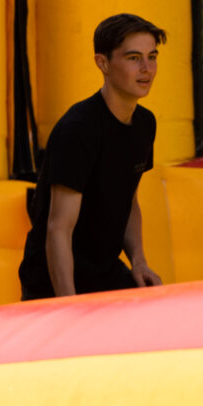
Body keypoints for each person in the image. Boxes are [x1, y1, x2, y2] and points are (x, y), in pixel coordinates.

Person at [21, 15, 168, 300]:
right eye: (133, 58)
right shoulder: (78, 129)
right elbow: (58, 228)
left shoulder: (145, 123)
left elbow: (130, 201)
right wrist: (69, 304)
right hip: (54, 280)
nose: (146, 69)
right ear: (102, 63)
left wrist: (138, 261)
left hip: (105, 271)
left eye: (152, 57)